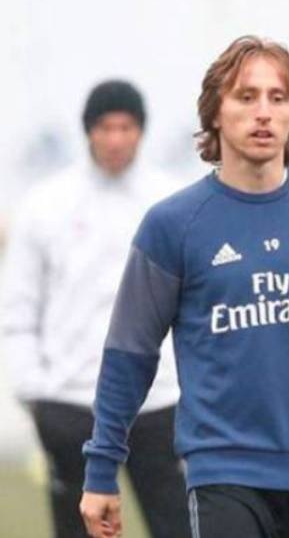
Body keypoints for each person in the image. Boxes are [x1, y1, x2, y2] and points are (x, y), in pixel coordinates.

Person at [78, 36, 289, 538]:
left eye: (278, 97)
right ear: (215, 113)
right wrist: (101, 468)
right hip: (222, 471)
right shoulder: (173, 225)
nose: (263, 112)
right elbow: (128, 354)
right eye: (246, 97)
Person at [0, 80, 190, 537]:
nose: (116, 139)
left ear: (141, 131)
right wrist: (37, 394)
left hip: (158, 402)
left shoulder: (171, 203)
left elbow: (196, 306)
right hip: (71, 402)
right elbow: (17, 307)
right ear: (89, 131)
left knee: (180, 527)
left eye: (126, 128)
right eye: (106, 127)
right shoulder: (47, 204)